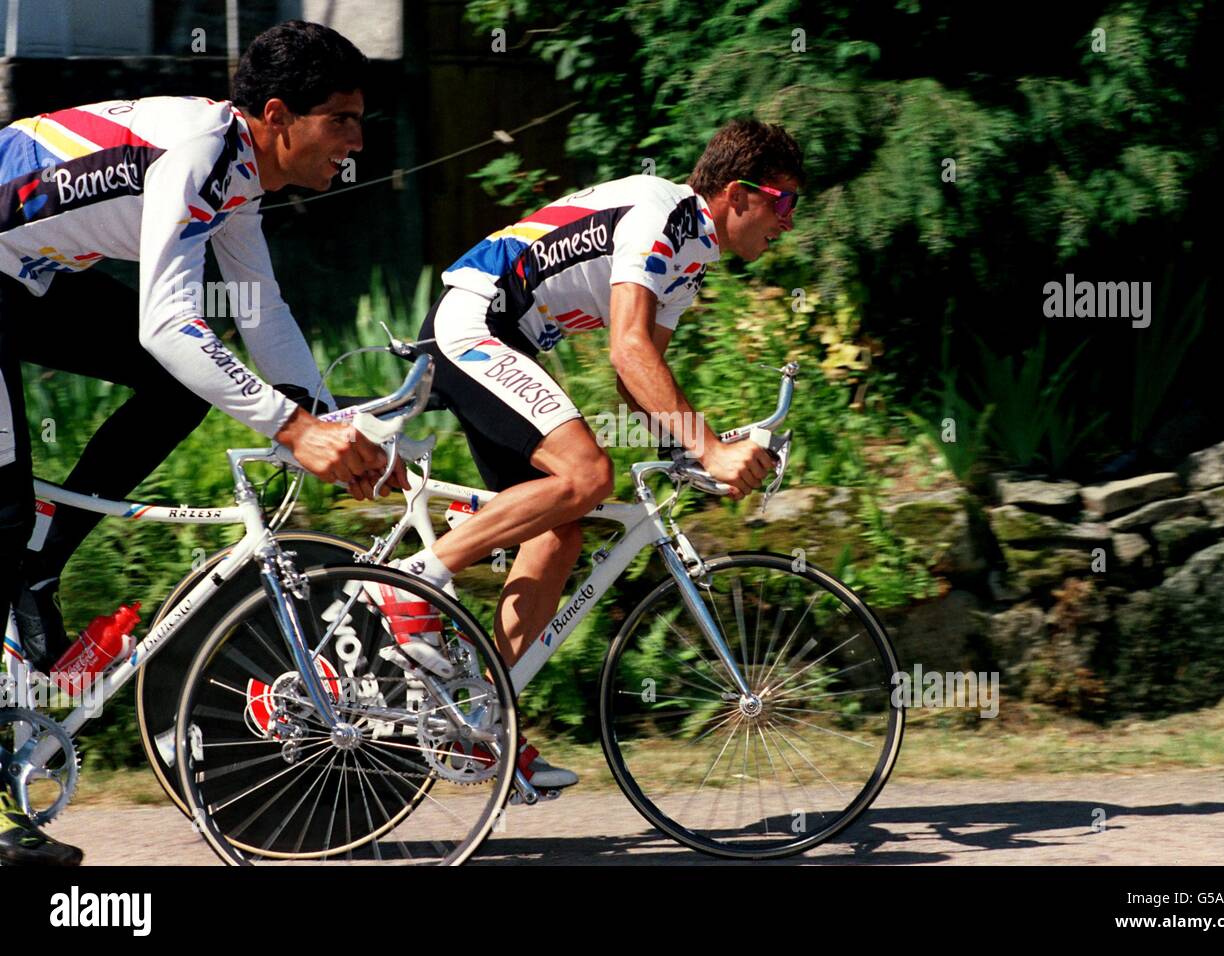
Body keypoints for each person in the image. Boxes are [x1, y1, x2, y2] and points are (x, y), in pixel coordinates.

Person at [0, 20, 404, 867]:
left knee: (177, 390)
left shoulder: (237, 173)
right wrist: (294, 428)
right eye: (344, 119)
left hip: (23, 278)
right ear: (280, 115)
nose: (358, 141)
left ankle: (42, 560)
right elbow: (167, 324)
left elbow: (262, 311)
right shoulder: (199, 153)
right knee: (2, 512)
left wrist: (328, 424)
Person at [415, 119, 803, 788]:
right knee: (588, 474)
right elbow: (627, 345)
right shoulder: (664, 213)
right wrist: (708, 450)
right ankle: (417, 583)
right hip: (475, 323)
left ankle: (480, 724)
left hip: (506, 339)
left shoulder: (692, 258)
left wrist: (690, 452)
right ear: (739, 194)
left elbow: (637, 379)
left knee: (558, 531)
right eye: (784, 201)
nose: (789, 224)